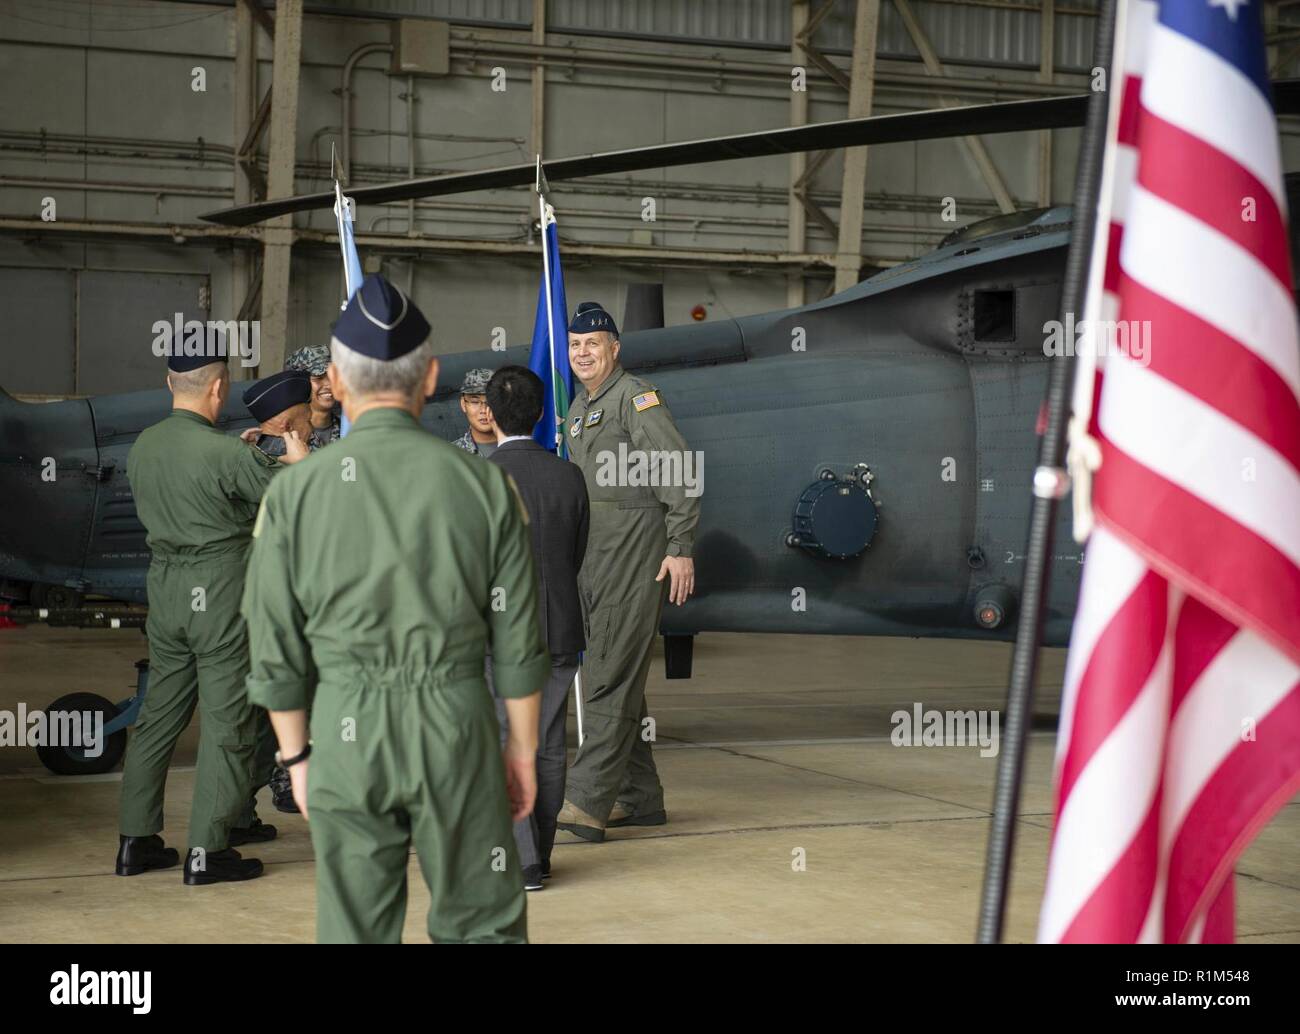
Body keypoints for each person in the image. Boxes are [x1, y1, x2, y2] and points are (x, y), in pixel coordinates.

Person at [241, 275, 549, 943]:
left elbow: (273, 645)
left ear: (338, 383)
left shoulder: (293, 496)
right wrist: (520, 752)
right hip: (457, 729)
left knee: (354, 929)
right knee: (483, 927)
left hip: (347, 733)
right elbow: (522, 642)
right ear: (431, 377)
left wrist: (296, 759)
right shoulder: (486, 488)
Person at [116, 348, 307, 886]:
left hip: (166, 587)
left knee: (159, 717)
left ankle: (135, 841)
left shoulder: (144, 446)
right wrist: (294, 463)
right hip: (220, 588)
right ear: (219, 388)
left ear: (170, 382)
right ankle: (208, 850)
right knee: (228, 722)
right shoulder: (226, 453)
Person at [556, 302, 700, 843]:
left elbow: (678, 468)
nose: (582, 353)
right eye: (574, 345)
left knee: (609, 675)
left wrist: (681, 545)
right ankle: (639, 798)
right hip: (593, 556)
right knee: (612, 675)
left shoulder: (636, 399)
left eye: (593, 343)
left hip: (634, 556)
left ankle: (587, 801)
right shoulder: (579, 408)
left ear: (615, 348)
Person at [484, 366, 589, 890]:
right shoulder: (569, 476)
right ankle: (540, 855)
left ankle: (523, 860)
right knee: (548, 744)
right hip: (560, 626)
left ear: (489, 414)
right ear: (543, 412)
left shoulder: (479, 478)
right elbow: (576, 554)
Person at [241, 369, 324, 815]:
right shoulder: (281, 463)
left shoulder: (253, 451)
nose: (315, 420)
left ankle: (243, 809)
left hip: (264, 603)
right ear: (292, 424)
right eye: (308, 414)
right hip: (288, 606)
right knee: (270, 718)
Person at [285, 344, 342, 447]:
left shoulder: (350, 431)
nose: (329, 384)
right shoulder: (287, 437)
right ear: (299, 384)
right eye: (318, 377)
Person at [452, 367, 498, 456]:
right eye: (475, 402)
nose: (484, 410)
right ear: (463, 404)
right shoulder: (451, 454)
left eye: (491, 401)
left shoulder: (520, 449)